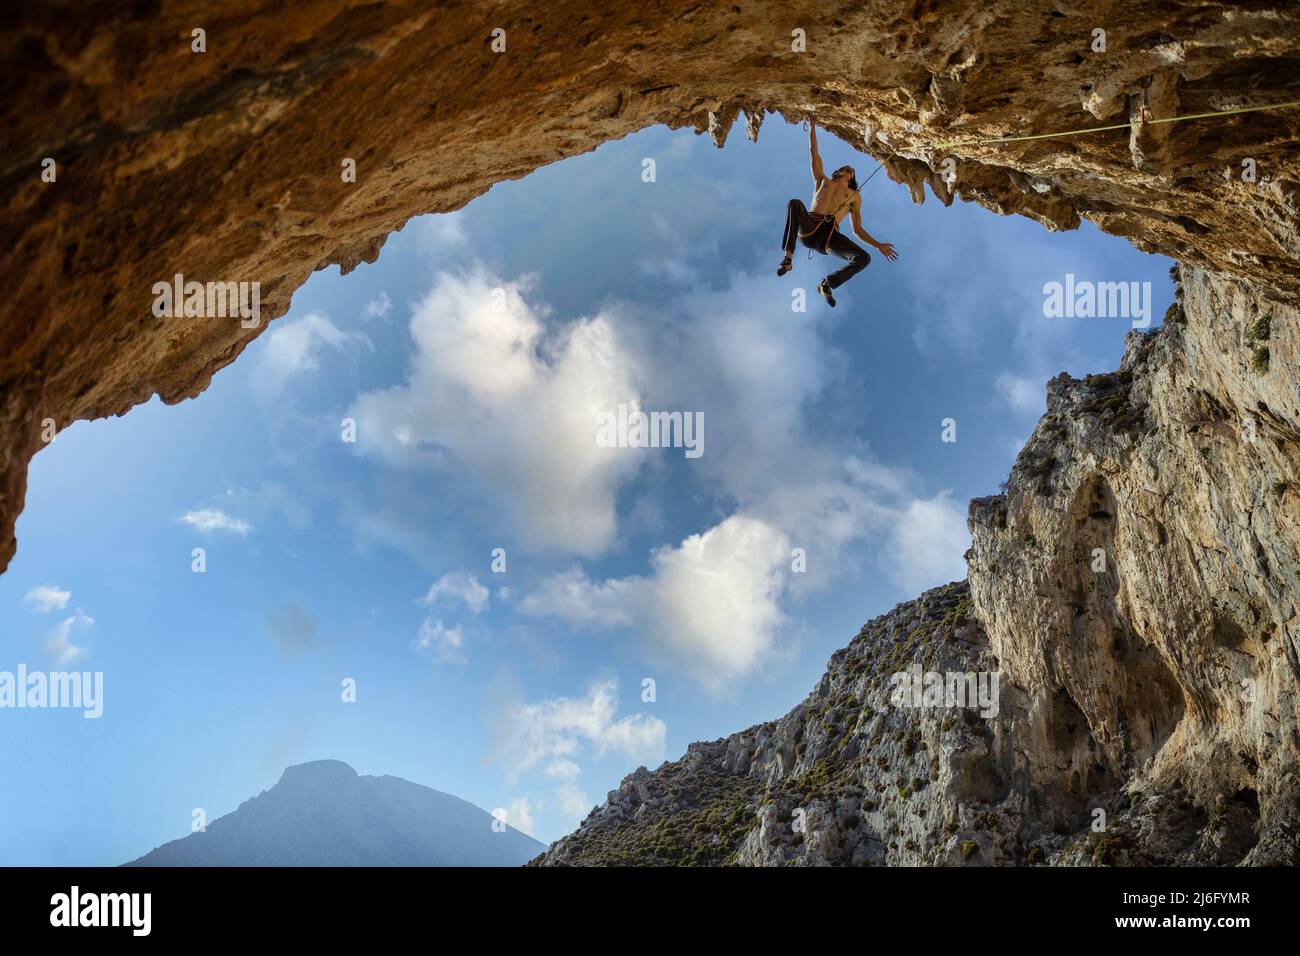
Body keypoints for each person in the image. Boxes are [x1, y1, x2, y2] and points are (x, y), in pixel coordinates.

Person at [779, 117, 898, 306]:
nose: (849, 169)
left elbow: (857, 229)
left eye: (851, 170)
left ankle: (827, 284)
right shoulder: (822, 180)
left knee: (864, 258)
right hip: (810, 226)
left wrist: (878, 245)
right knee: (794, 203)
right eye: (846, 168)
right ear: (840, 171)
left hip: (829, 236)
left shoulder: (854, 196)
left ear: (852, 177)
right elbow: (813, 153)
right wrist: (812, 128)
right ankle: (788, 257)